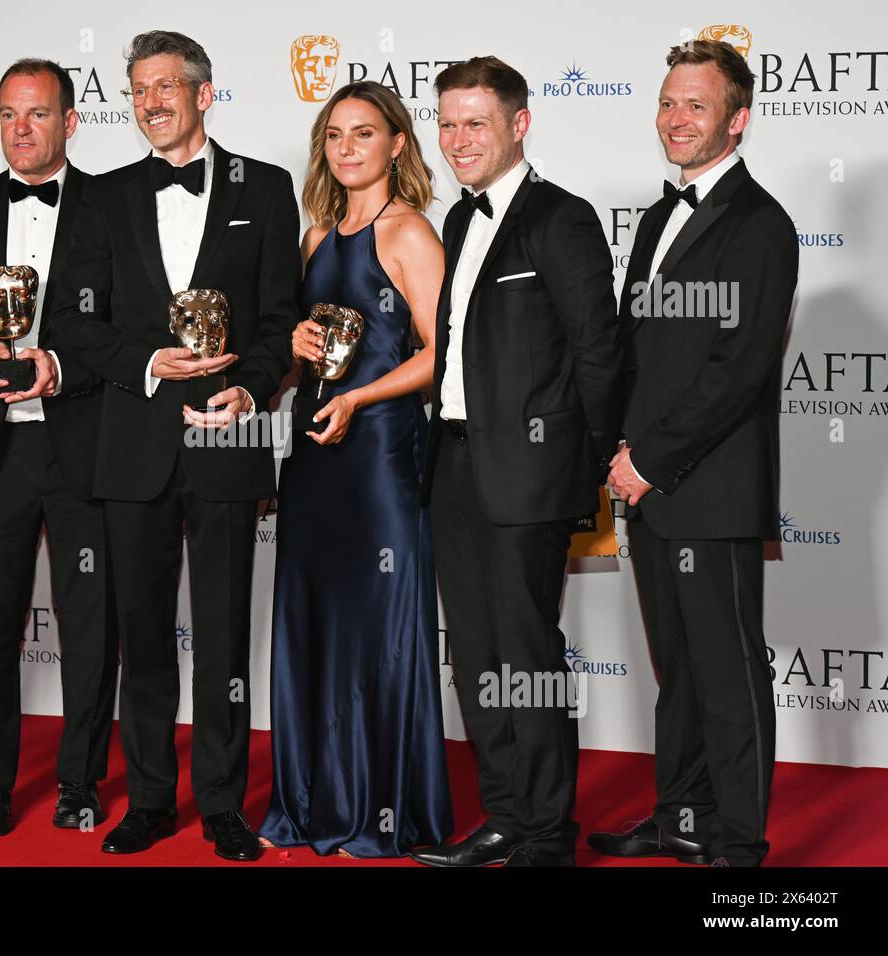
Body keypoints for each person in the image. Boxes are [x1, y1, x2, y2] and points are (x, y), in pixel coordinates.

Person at [44, 30, 300, 861]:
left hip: (228, 443)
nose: (151, 102)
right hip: (133, 447)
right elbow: (74, 321)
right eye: (138, 91)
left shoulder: (264, 187)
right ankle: (150, 798)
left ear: (203, 94)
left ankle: (222, 803)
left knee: (224, 636)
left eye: (165, 87)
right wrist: (148, 360)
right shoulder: (103, 196)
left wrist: (252, 387)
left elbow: (276, 319)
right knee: (142, 634)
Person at [410, 56, 622, 868]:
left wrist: (598, 463)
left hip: (530, 473)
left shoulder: (561, 219)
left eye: (477, 123)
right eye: (449, 122)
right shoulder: (459, 222)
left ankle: (545, 833)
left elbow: (597, 353)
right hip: (454, 466)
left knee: (526, 656)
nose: (459, 140)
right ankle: (501, 814)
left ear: (519, 124)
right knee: (475, 652)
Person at [590, 39, 797, 868]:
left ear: (737, 120)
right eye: (669, 102)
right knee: (677, 665)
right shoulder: (656, 217)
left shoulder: (762, 224)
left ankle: (740, 844)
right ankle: (682, 815)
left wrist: (650, 460)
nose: (677, 119)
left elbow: (738, 369)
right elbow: (637, 350)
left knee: (729, 670)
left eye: (697, 105)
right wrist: (615, 450)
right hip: (651, 486)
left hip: (708, 485)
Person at [258, 81, 452, 858]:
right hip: (313, 458)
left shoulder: (410, 234)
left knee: (376, 635)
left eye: (363, 134)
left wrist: (363, 393)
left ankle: (378, 810)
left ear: (397, 144)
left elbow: (443, 358)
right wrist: (293, 354)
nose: (346, 148)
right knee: (314, 629)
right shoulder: (313, 238)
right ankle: (309, 805)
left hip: (376, 461)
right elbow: (299, 357)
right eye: (334, 134)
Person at [0, 59, 118, 837]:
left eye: (38, 113)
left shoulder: (114, 207)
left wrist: (61, 368)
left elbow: (128, 327)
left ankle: (79, 782)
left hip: (83, 446)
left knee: (90, 626)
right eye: (8, 113)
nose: (20, 127)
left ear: (70, 121)